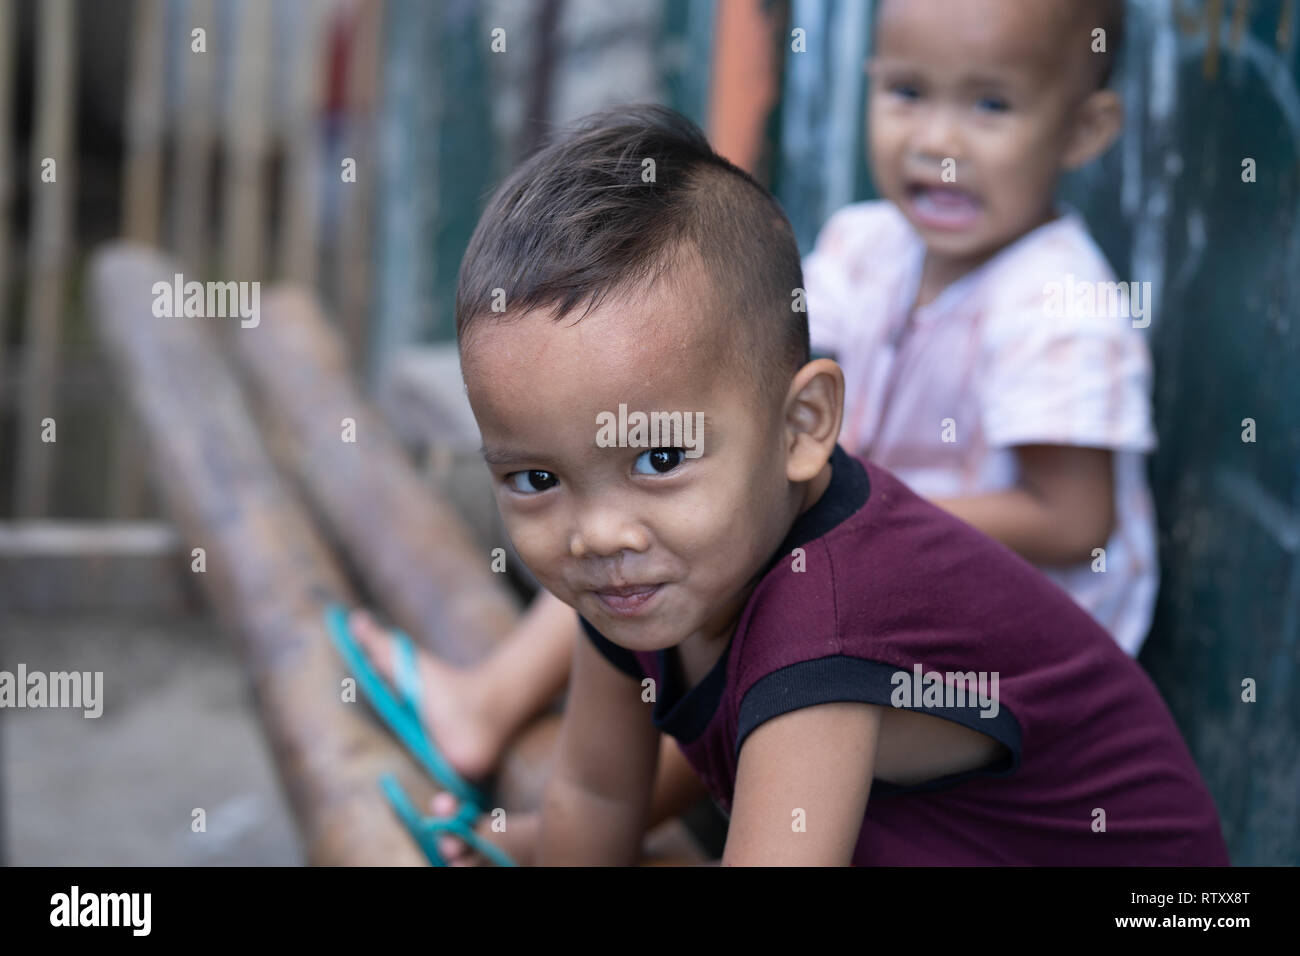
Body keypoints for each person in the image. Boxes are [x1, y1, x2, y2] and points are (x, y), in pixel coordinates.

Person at [411, 99, 1227, 865]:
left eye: (660, 460)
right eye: (537, 477)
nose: (596, 532)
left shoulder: (825, 625)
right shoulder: (639, 570)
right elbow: (592, 797)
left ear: (802, 428)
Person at [804, 0, 1157, 656]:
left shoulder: (1057, 298)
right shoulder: (865, 244)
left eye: (990, 106)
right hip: (876, 578)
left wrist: (857, 516)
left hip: (1011, 657)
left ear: (1083, 129)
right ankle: (576, 750)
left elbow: (1074, 520)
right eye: (907, 92)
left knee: (783, 633)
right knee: (680, 536)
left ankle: (645, 759)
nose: (937, 143)